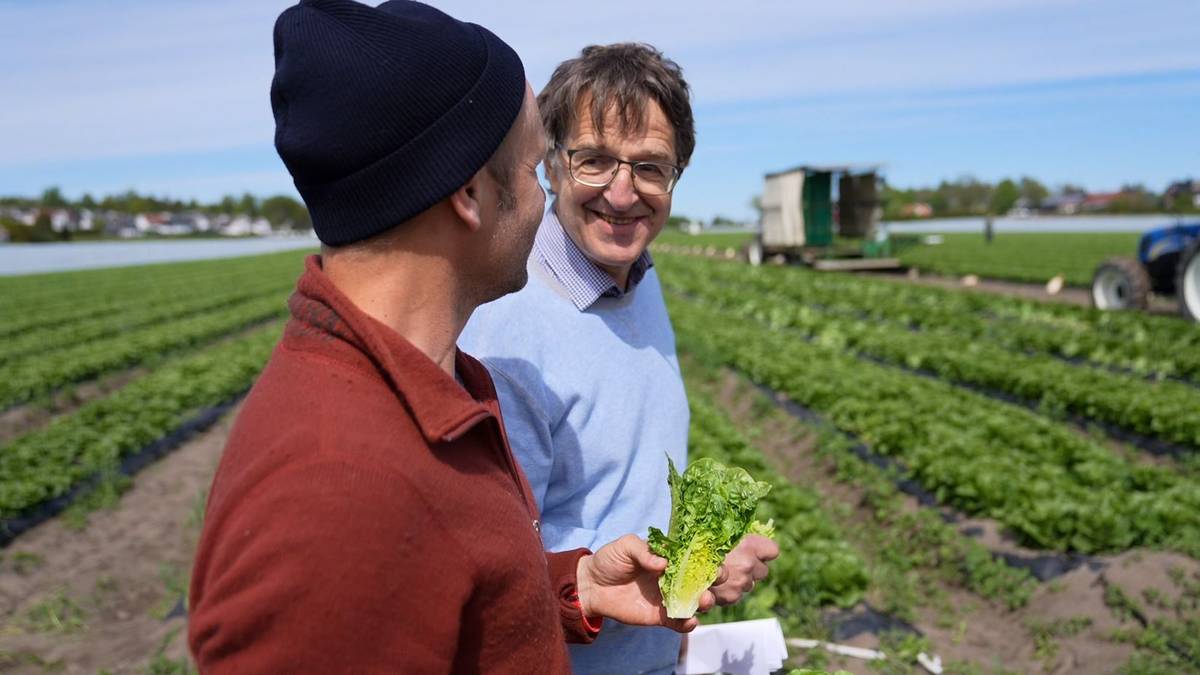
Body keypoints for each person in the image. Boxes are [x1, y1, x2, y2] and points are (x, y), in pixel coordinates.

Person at [188, 3, 713, 672]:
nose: (542, 203)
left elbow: (475, 606)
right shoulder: (329, 489)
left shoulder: (432, 392)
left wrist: (574, 584)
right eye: (530, 170)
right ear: (469, 193)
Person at [458, 43, 779, 674]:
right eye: (595, 161)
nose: (624, 193)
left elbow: (621, 491)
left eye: (651, 167)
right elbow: (485, 571)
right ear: (550, 163)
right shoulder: (507, 334)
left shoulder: (635, 274)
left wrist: (698, 568)